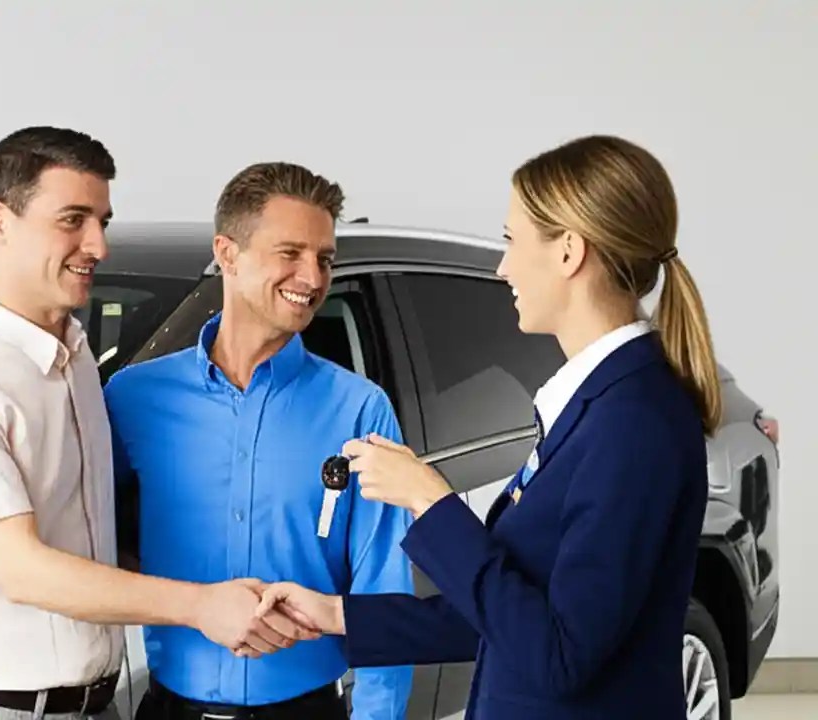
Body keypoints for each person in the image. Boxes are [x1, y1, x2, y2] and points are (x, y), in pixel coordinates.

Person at [258, 135, 721, 719]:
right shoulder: (601, 408)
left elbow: (559, 656)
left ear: (569, 252)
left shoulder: (633, 423)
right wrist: (334, 615)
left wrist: (430, 500)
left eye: (511, 241)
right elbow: (507, 616)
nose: (502, 267)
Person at [0, 127, 314, 720]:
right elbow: (26, 572)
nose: (97, 245)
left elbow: (103, 530)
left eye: (103, 221)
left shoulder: (76, 358)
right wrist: (200, 606)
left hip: (95, 705)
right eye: (73, 219)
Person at [104, 162, 416, 720]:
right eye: (290, 253)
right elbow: (93, 536)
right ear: (227, 253)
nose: (313, 278)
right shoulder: (133, 400)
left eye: (324, 259)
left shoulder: (360, 409)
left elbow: (381, 589)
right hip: (166, 708)